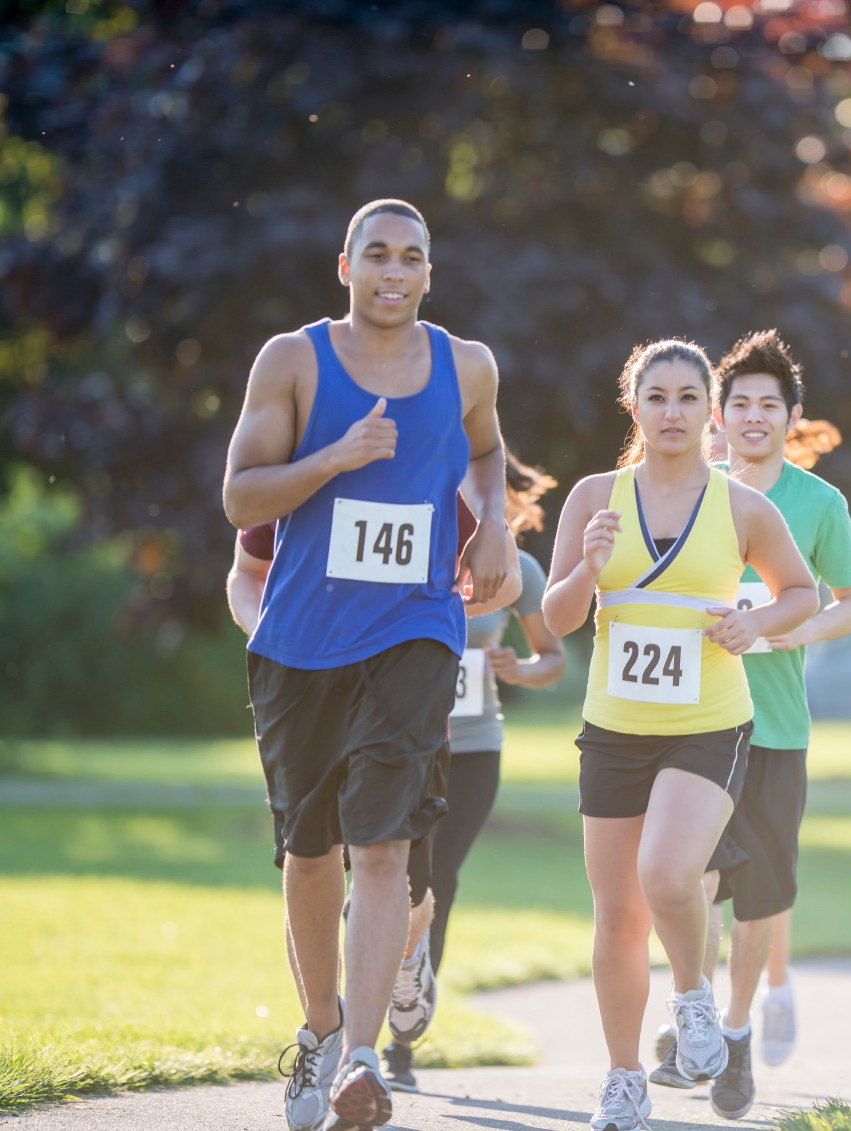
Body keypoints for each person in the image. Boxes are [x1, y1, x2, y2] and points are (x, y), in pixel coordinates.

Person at [221, 198, 515, 1131]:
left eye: (412, 257)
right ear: (344, 265)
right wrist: (335, 457)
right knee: (311, 856)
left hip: (416, 626)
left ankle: (360, 1060)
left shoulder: (465, 364)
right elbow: (240, 497)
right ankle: (319, 1028)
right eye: (377, 254)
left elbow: (486, 447)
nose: (395, 270)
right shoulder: (293, 359)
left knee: (383, 844)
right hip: (300, 640)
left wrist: (495, 520)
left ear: (430, 272)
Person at [541, 339, 818, 1131]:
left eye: (687, 398)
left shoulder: (739, 506)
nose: (672, 411)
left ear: (710, 414)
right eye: (656, 397)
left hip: (709, 725)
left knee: (668, 873)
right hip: (614, 729)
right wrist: (585, 571)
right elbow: (557, 622)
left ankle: (693, 998)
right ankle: (622, 1078)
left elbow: (799, 591)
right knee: (618, 915)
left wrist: (753, 621)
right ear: (634, 407)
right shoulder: (596, 496)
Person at [646, 331, 851, 1119]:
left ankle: (734, 1034)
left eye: (766, 405)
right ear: (718, 413)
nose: (750, 417)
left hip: (775, 727)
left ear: (789, 416)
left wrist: (785, 629)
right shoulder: (688, 491)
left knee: (756, 903)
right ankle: (692, 1015)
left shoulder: (817, 503)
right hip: (693, 725)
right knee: (691, 880)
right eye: (737, 403)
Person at [381, 449, 568, 1092]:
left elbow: (553, 658)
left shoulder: (521, 569)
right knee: (383, 874)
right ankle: (364, 1002)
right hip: (401, 740)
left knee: (438, 879)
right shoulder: (408, 546)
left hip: (473, 748)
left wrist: (522, 669)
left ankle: (400, 1041)